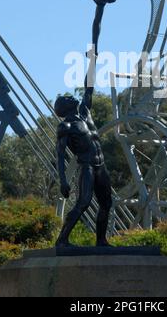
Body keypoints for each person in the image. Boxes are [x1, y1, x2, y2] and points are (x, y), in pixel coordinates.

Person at [54, 52, 112, 247]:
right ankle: (62, 240)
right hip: (87, 167)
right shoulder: (66, 127)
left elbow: (89, 85)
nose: (73, 98)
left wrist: (93, 60)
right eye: (69, 98)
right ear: (65, 107)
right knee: (83, 202)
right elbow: (60, 156)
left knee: (106, 204)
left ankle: (101, 240)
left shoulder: (85, 113)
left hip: (101, 166)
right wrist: (63, 181)